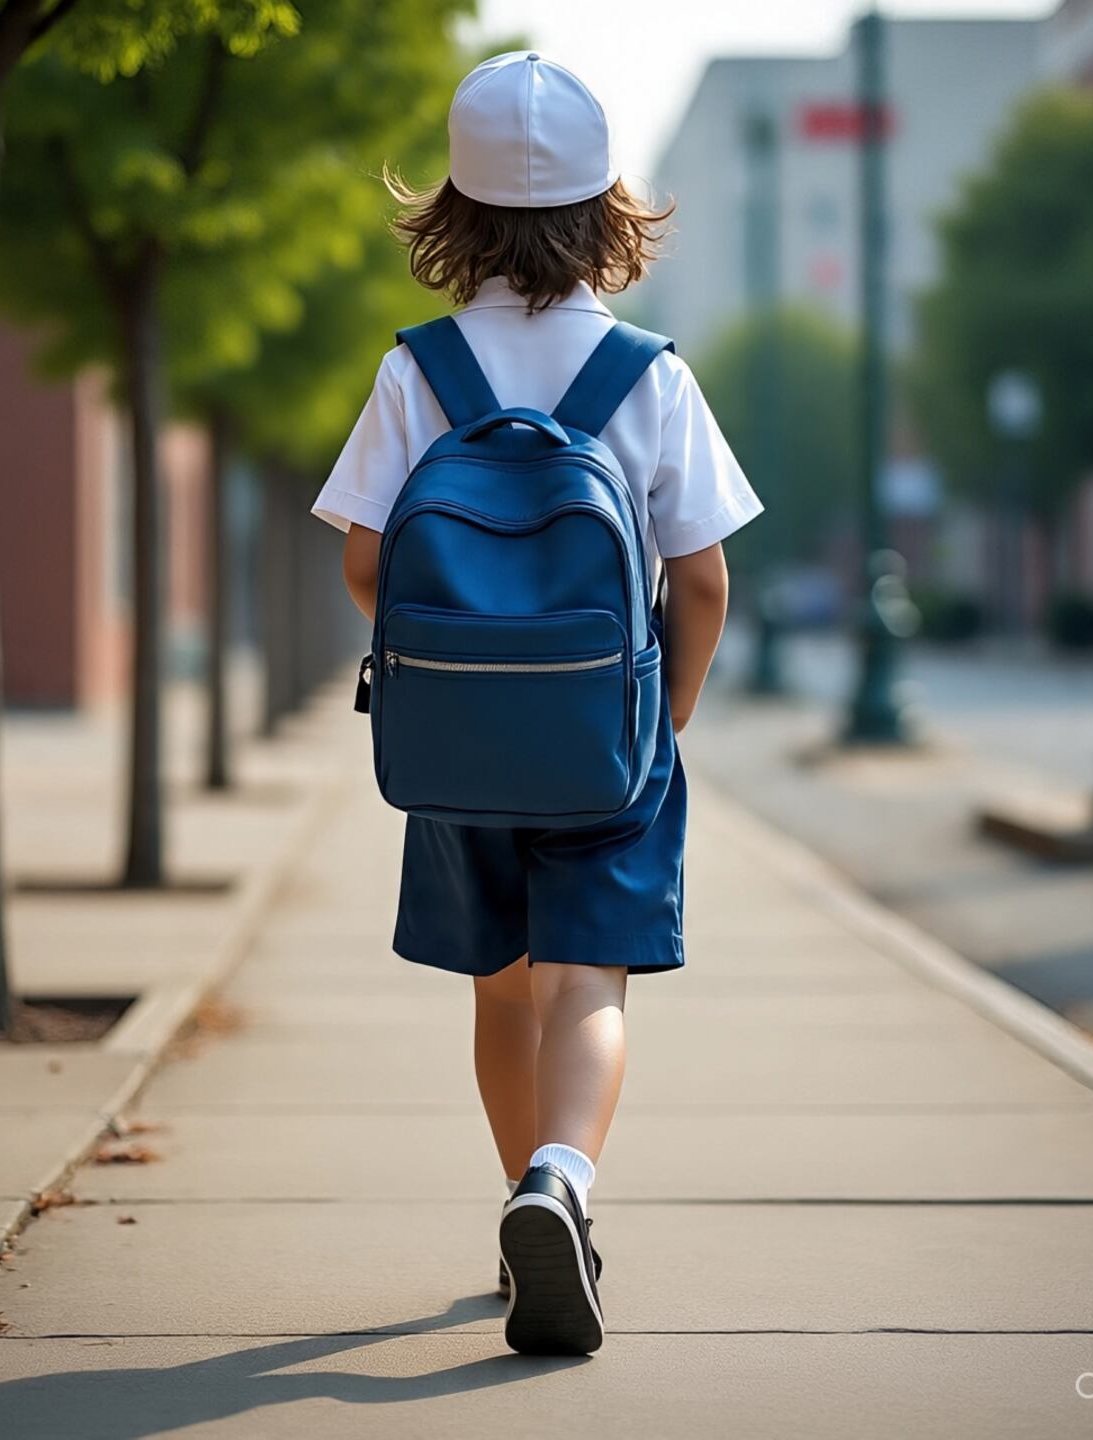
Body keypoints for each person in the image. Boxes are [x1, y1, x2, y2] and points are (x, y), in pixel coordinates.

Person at [311, 51, 761, 1356]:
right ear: (607, 209)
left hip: (458, 756)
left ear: (453, 209)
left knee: (501, 992)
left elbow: (362, 558)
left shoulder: (420, 371)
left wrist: (452, 681)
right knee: (588, 986)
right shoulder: (647, 374)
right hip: (608, 748)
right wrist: (658, 721)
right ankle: (560, 1182)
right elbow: (705, 579)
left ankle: (526, 1205)